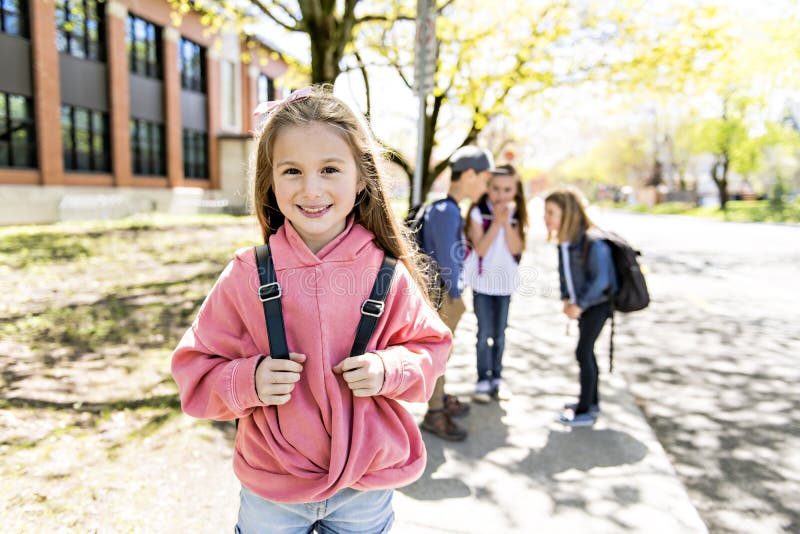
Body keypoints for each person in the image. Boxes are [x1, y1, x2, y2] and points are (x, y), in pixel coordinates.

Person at [171, 85, 452, 533]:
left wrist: (390, 368)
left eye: (329, 169)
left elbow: (430, 349)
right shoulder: (247, 273)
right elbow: (194, 370)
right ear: (270, 180)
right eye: (292, 171)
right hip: (272, 490)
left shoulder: (387, 272)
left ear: (361, 178)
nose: (311, 188)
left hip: (365, 486)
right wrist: (249, 380)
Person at [418, 145, 494, 441]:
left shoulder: (446, 208)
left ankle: (440, 398)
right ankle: (434, 412)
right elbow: (447, 259)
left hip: (444, 292)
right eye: (485, 181)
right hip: (444, 294)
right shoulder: (446, 210)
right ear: (471, 174)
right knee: (440, 353)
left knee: (443, 352)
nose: (486, 188)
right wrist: (457, 294)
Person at [543, 188, 617, 427]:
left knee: (583, 352)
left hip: (598, 305)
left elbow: (601, 280)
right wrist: (566, 298)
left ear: (568, 213)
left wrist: (580, 305)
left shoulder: (591, 241)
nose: (547, 218)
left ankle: (585, 410)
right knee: (586, 352)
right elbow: (565, 275)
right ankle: (590, 403)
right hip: (584, 306)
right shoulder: (566, 243)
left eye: (551, 212)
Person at [464, 164, 527, 403]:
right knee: (484, 334)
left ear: (516, 191)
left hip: (505, 284)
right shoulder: (479, 213)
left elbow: (515, 249)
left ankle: (497, 378)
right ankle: (482, 378)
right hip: (482, 284)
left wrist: (507, 222)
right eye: (496, 189)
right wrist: (497, 222)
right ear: (488, 189)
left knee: (500, 334)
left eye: (507, 190)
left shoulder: (518, 214)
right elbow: (480, 248)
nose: (501, 195)